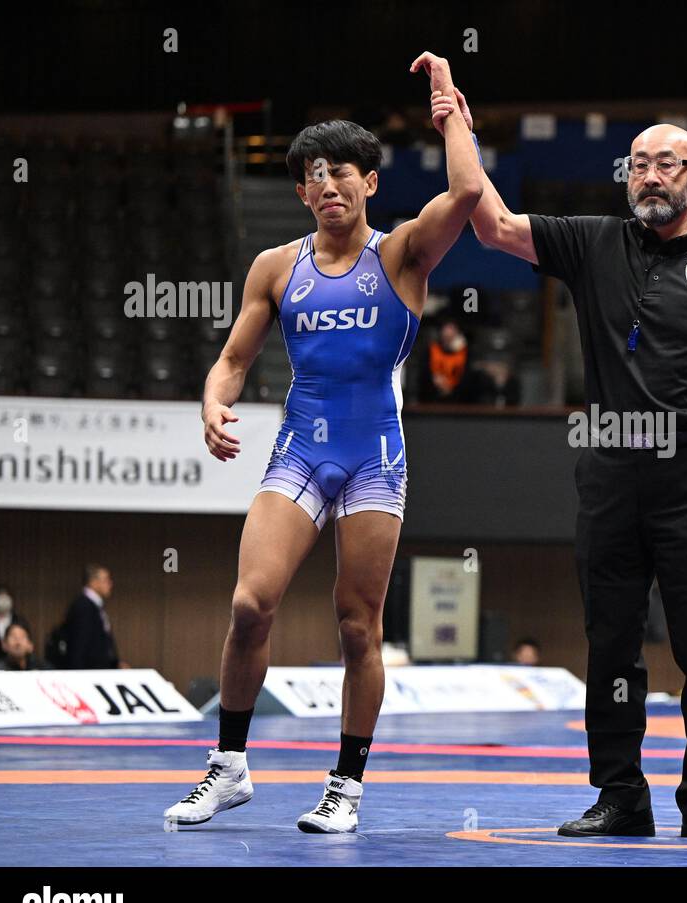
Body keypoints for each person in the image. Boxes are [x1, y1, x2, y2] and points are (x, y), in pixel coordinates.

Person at [436, 89, 687, 838]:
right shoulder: (591, 242)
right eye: (637, 164)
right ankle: (620, 796)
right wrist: (457, 120)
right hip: (610, 471)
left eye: (665, 164)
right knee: (611, 644)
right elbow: (490, 221)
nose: (648, 176)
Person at [164, 52, 483, 834]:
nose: (327, 184)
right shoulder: (277, 267)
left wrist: (448, 108)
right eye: (313, 174)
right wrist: (212, 400)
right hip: (301, 452)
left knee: (355, 625)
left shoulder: (402, 252)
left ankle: (346, 783)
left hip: (374, 456)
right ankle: (229, 766)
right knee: (250, 603)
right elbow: (235, 359)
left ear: (369, 183)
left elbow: (470, 192)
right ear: (301, 189)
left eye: (342, 171)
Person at [59, 565, 125, 670]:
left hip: (99, 669)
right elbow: (79, 644)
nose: (110, 584)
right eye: (106, 580)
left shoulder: (95, 606)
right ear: (93, 582)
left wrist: (114, 663)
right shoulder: (83, 606)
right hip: (89, 672)